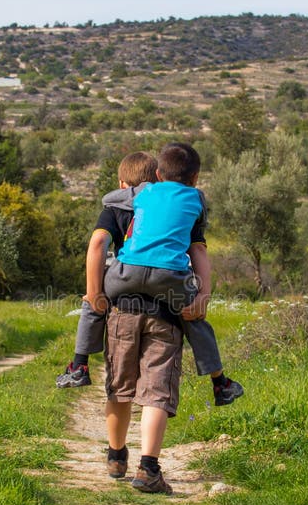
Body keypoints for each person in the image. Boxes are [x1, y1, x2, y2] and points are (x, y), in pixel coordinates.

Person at [56, 148, 243, 406]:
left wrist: (94, 293)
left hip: (125, 279)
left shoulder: (134, 197)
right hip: (170, 283)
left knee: (92, 298)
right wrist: (203, 295)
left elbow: (100, 237)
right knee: (194, 316)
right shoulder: (190, 198)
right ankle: (219, 381)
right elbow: (198, 249)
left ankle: (79, 364)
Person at [104, 303, 181, 494]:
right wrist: (201, 296)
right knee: (157, 390)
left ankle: (116, 457)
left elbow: (95, 275)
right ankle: (148, 469)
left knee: (119, 386)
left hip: (122, 309)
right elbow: (201, 272)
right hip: (165, 311)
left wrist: (94, 295)